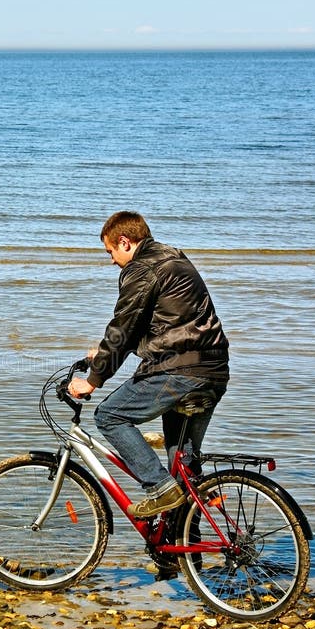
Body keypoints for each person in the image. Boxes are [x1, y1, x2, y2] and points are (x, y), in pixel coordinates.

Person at [68, 211, 229, 518]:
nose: (112, 261)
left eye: (110, 252)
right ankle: (184, 546)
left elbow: (124, 327)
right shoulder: (173, 257)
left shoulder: (142, 268)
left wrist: (93, 380)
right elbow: (164, 323)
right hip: (213, 369)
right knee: (184, 473)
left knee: (110, 416)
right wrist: (103, 353)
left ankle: (158, 487)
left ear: (124, 242)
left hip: (179, 370)